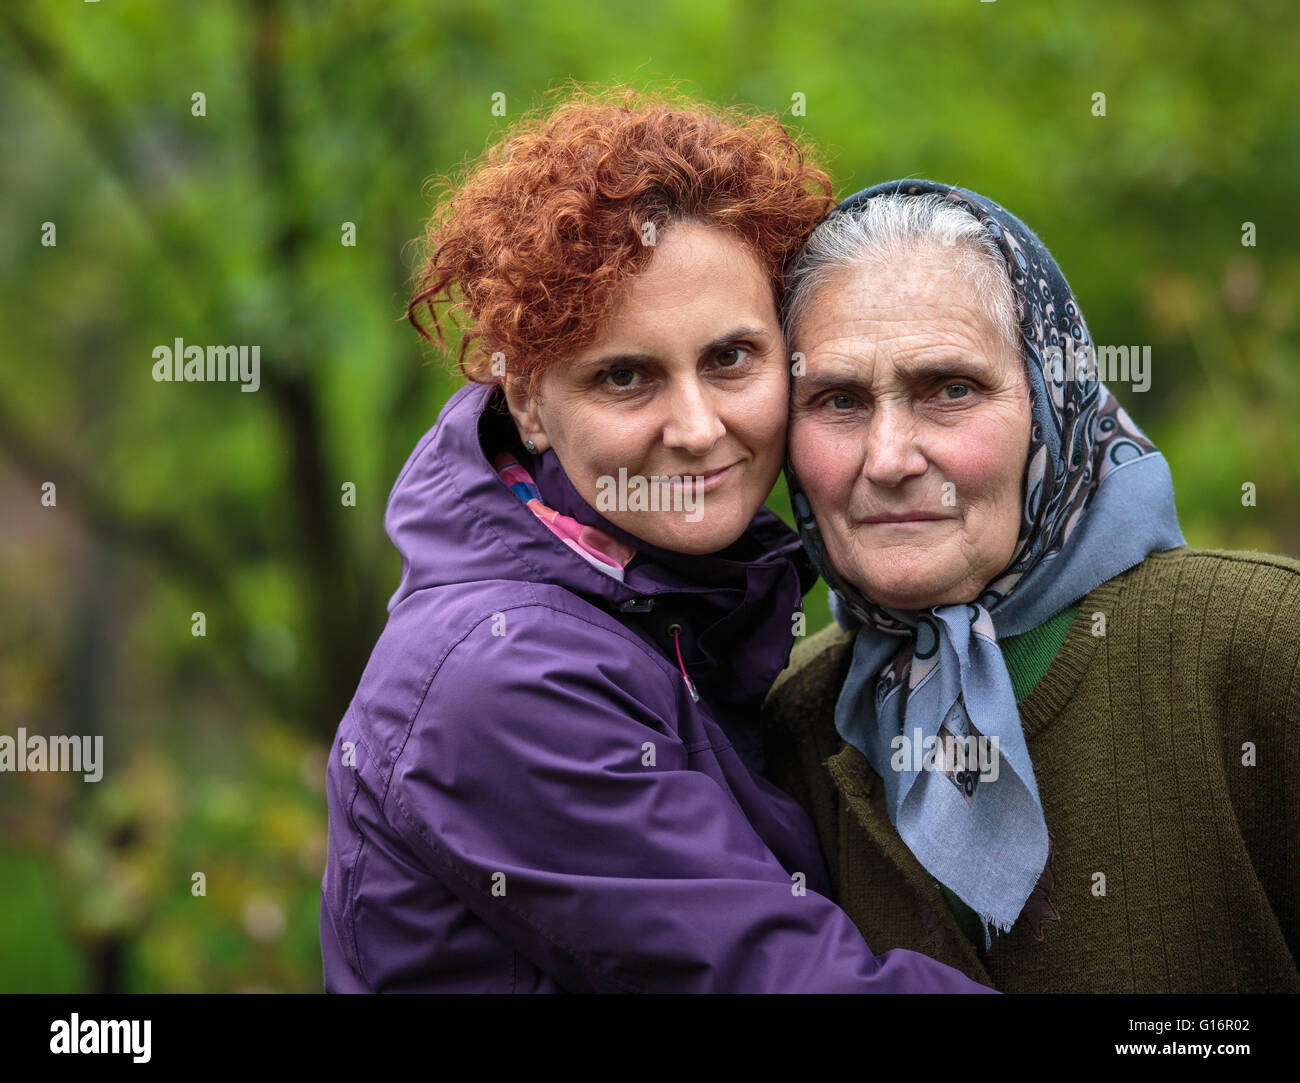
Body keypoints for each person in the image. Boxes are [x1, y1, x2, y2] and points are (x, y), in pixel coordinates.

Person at [318, 92, 990, 993]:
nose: (697, 426)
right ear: (527, 402)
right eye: (625, 375)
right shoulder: (506, 675)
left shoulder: (667, 605)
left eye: (730, 359)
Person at [763, 179, 1300, 992]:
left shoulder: (1263, 649)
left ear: (1052, 404)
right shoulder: (794, 720)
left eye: (950, 388)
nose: (889, 457)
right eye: (838, 400)